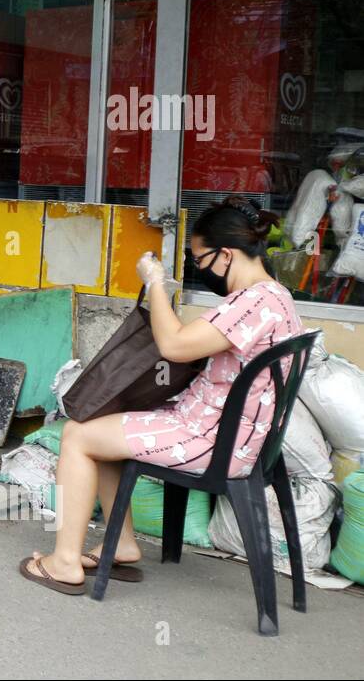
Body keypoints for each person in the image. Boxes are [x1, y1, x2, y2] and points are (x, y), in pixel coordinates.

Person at [20, 196, 305, 594]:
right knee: (99, 425)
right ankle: (120, 543)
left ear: (225, 255)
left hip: (209, 438)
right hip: (229, 435)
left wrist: (155, 281)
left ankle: (64, 562)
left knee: (77, 436)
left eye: (199, 260)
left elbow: (173, 346)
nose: (198, 269)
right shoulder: (275, 297)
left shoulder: (252, 302)